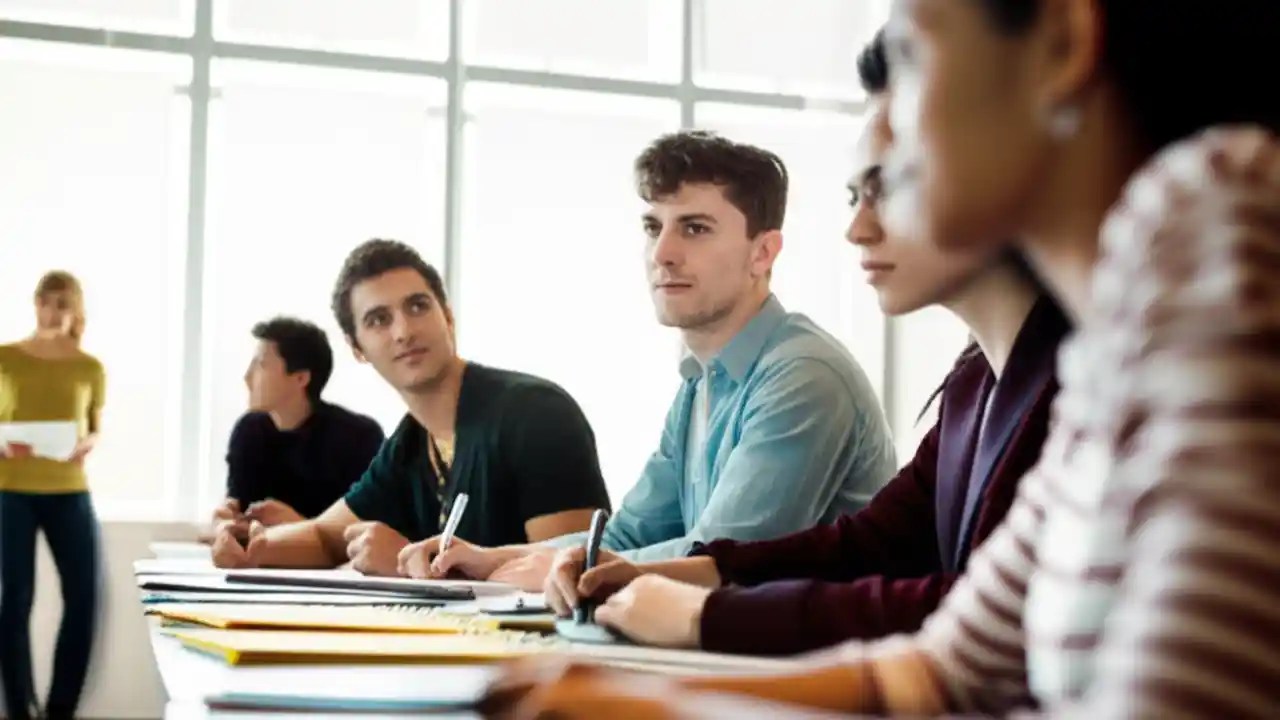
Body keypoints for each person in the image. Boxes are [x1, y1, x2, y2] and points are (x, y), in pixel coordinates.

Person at [478, 0, 1280, 717]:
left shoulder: (1220, 229)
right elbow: (940, 670)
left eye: (912, 57)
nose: (886, 140)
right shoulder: (1111, 340)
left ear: (1061, 43)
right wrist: (649, 698)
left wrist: (695, 629)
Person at [535, 31, 1071, 655]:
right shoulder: (974, 381)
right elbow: (866, 547)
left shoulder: (1077, 381)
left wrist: (708, 614)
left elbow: (979, 612)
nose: (856, 228)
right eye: (855, 194)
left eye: (893, 183)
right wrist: (664, 575)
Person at [399, 131, 897, 586]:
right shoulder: (700, 381)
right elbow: (627, 535)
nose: (662, 252)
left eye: (695, 228)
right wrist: (493, 558)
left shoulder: (803, 375)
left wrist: (561, 566)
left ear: (762, 253)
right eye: (652, 226)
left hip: (804, 668)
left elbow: (724, 558)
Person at [210, 239, 611, 576]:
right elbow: (323, 536)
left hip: (543, 664)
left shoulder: (536, 414)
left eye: (418, 307)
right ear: (358, 349)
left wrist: (409, 565)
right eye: (379, 320)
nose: (404, 331)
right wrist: (253, 545)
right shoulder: (411, 444)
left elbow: (571, 573)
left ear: (447, 317)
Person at [0, 271, 105, 720]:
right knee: (15, 597)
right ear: (35, 304)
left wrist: (88, 444)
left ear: (76, 311)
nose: (53, 310)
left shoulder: (90, 367)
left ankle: (61, 710)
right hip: (11, 490)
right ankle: (20, 708)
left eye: (63, 303)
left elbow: (96, 427)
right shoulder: (5, 358)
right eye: (46, 301)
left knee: (84, 596)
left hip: (68, 491)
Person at [209, 316, 384, 531]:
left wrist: (299, 526)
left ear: (301, 378)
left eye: (262, 365)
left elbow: (371, 531)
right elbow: (237, 503)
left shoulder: (359, 436)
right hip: (259, 560)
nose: (247, 377)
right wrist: (225, 521)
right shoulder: (249, 430)